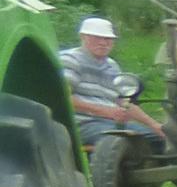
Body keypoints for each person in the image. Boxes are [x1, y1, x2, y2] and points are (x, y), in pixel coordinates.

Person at [61, 18, 165, 151]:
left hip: (110, 123)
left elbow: (123, 102)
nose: (103, 43)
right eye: (97, 38)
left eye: (108, 39)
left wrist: (155, 125)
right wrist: (106, 111)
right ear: (83, 37)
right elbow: (62, 98)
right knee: (128, 140)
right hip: (82, 123)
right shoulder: (70, 60)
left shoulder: (111, 65)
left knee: (159, 139)